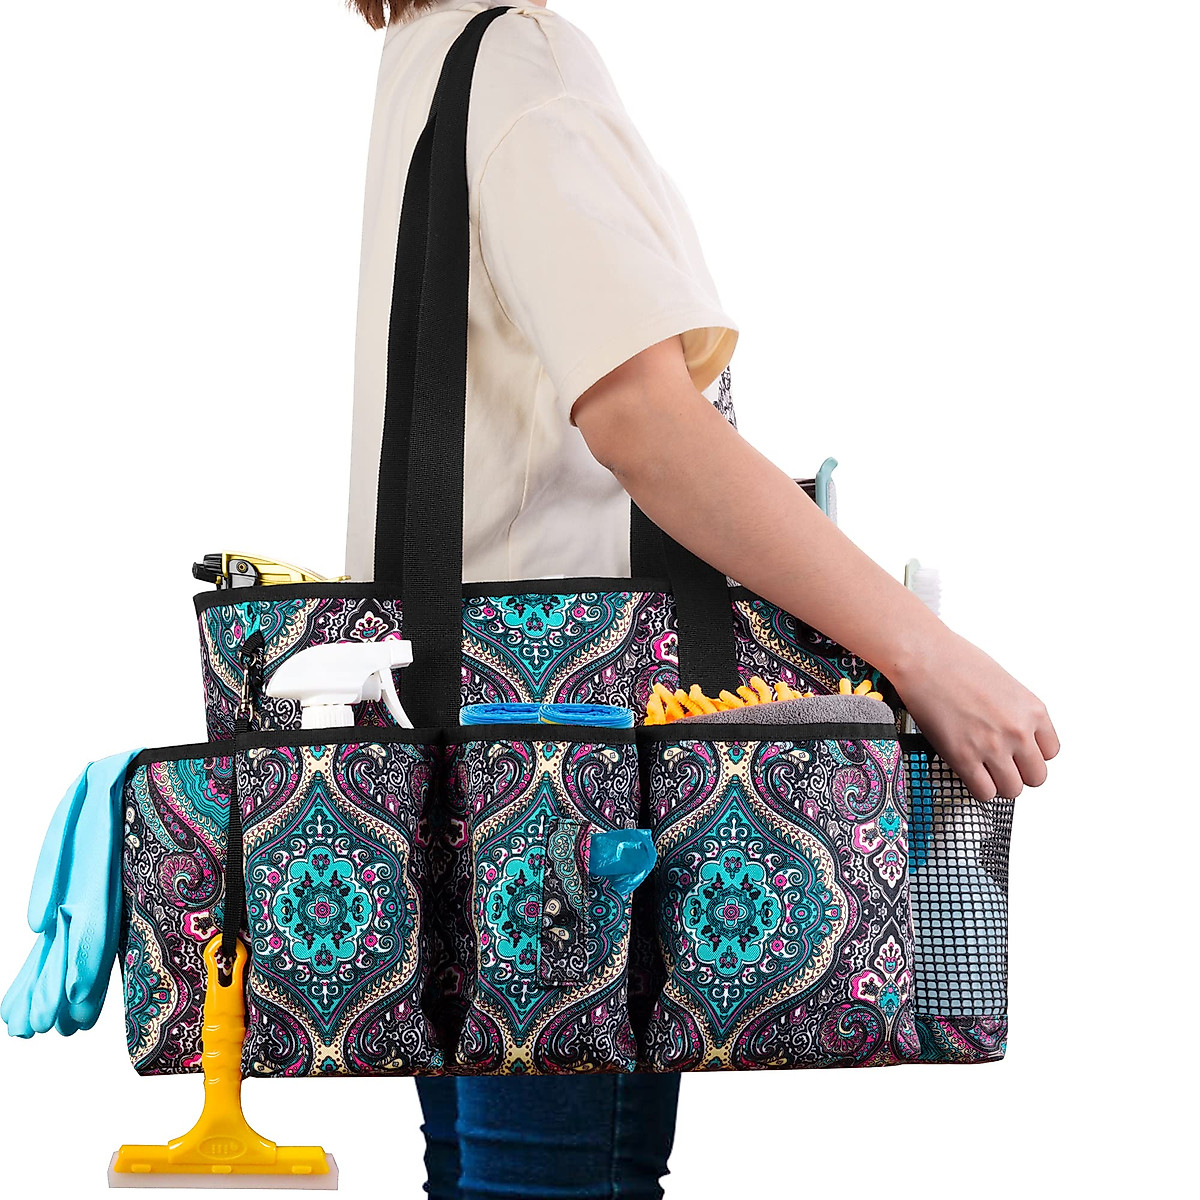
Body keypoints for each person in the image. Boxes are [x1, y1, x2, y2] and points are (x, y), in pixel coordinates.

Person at [343, 3, 1060, 1197]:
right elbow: (641, 422)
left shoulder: (432, 46)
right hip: (567, 784)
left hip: (455, 763)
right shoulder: (522, 59)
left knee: (485, 1176)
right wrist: (923, 653)